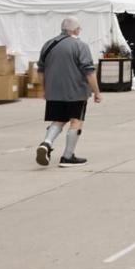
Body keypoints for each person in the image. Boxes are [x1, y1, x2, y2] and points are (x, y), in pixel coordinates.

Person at [35, 17, 101, 167]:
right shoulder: (80, 46)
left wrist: (45, 89)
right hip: (76, 91)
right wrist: (97, 92)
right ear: (75, 30)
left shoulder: (48, 44)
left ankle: (46, 143)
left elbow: (40, 70)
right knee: (76, 121)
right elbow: (89, 72)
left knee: (58, 119)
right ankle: (67, 156)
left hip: (54, 91)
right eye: (79, 28)